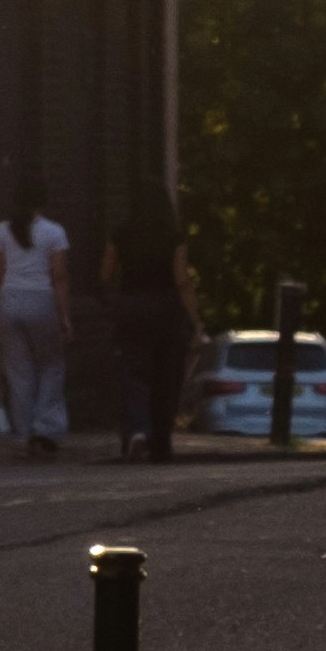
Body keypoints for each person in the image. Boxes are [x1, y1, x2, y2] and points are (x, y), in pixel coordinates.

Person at [106, 189, 197, 465]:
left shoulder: (120, 234)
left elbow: (105, 273)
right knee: (164, 375)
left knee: (134, 371)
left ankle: (137, 431)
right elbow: (181, 280)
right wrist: (195, 319)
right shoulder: (174, 237)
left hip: (132, 306)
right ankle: (160, 440)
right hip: (165, 309)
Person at [0, 185, 71, 452]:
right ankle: (44, 427)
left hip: (10, 301)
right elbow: (59, 277)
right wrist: (65, 316)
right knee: (51, 366)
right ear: (42, 204)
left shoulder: (1, 230)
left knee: (18, 371)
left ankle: (23, 434)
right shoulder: (54, 232)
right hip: (41, 301)